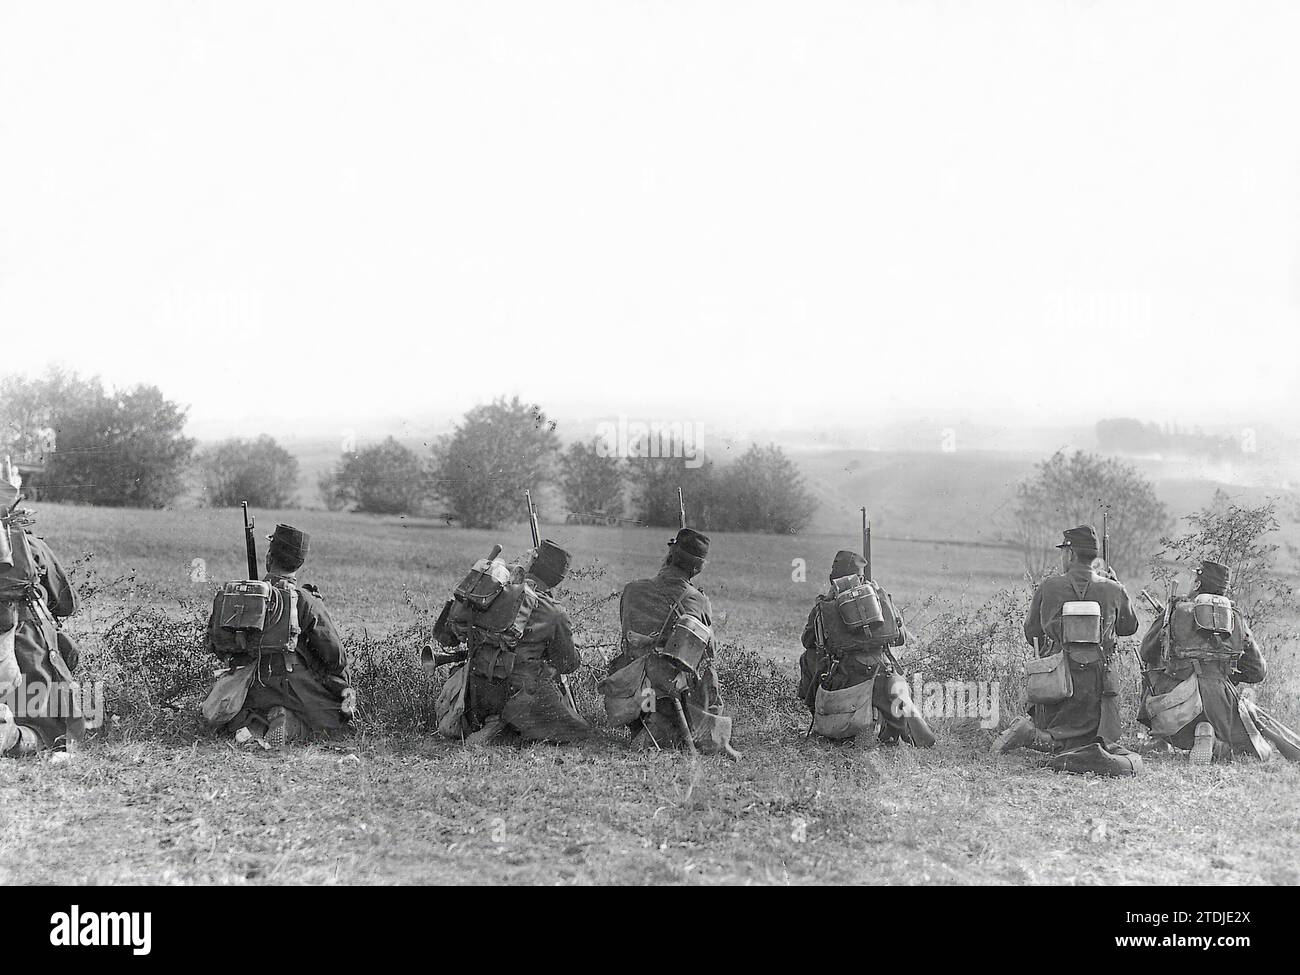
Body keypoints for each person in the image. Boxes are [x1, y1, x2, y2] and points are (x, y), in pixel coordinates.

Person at [994, 525, 1138, 756]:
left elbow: (1032, 634)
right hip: (1100, 684)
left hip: (1057, 682)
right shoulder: (1114, 588)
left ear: (1070, 554)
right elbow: (1129, 628)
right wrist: (1117, 589)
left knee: (1061, 738)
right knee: (1100, 743)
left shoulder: (1049, 586)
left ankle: (1032, 735)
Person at [204, 524, 353, 748]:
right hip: (292, 686)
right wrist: (342, 687)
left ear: (268, 557)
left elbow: (214, 645)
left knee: (230, 713)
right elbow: (336, 657)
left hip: (248, 686)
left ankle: (253, 725)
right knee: (337, 721)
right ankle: (289, 723)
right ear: (300, 563)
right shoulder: (305, 599)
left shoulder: (237, 596)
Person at [1138, 559, 1299, 764]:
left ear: (1197, 584)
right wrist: (1229, 677)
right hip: (1222, 705)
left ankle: (1160, 738)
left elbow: (1145, 652)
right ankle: (1214, 739)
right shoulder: (1235, 617)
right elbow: (1258, 671)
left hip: (1177, 706)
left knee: (1151, 670)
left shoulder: (1176, 609)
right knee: (1244, 743)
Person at [602, 528, 739, 758]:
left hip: (635, 681)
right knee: (707, 670)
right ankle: (693, 729)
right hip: (673, 685)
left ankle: (649, 723)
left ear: (670, 556)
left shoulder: (632, 589)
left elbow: (626, 634)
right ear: (697, 568)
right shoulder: (696, 599)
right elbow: (709, 651)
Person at [436, 540, 590, 744]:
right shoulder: (554, 612)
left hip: (473, 691)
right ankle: (503, 729)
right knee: (580, 733)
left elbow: (446, 635)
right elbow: (568, 664)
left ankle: (489, 723)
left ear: (531, 564)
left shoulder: (496, 590)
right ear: (557, 579)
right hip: (515, 696)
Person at [797, 550, 934, 747]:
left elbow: (807, 641)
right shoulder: (879, 598)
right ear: (862, 576)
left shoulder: (824, 607)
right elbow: (901, 638)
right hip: (883, 676)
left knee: (807, 658)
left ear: (833, 578)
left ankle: (818, 718)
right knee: (898, 686)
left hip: (842, 680)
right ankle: (901, 733)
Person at [1, 456, 84, 757]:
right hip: (27, 649)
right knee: (55, 731)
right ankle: (12, 737)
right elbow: (66, 604)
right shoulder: (33, 546)